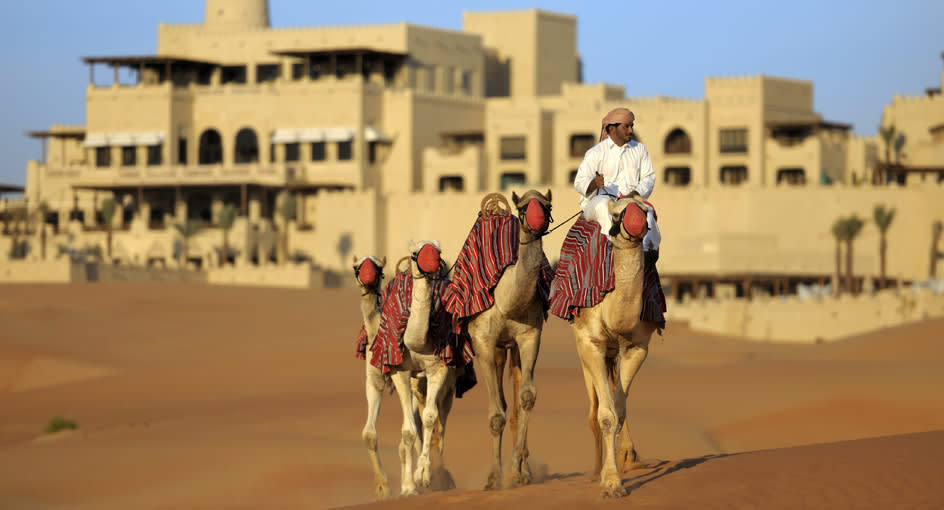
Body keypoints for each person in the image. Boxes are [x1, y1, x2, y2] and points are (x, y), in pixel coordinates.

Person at [572, 107, 661, 258]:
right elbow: (579, 182)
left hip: (630, 200)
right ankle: (612, 244)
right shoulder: (596, 153)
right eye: (626, 126)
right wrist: (594, 183)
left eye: (632, 125)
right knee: (603, 206)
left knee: (648, 212)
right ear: (612, 129)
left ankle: (645, 251)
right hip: (599, 201)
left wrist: (636, 193)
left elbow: (649, 177)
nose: (631, 130)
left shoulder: (639, 149)